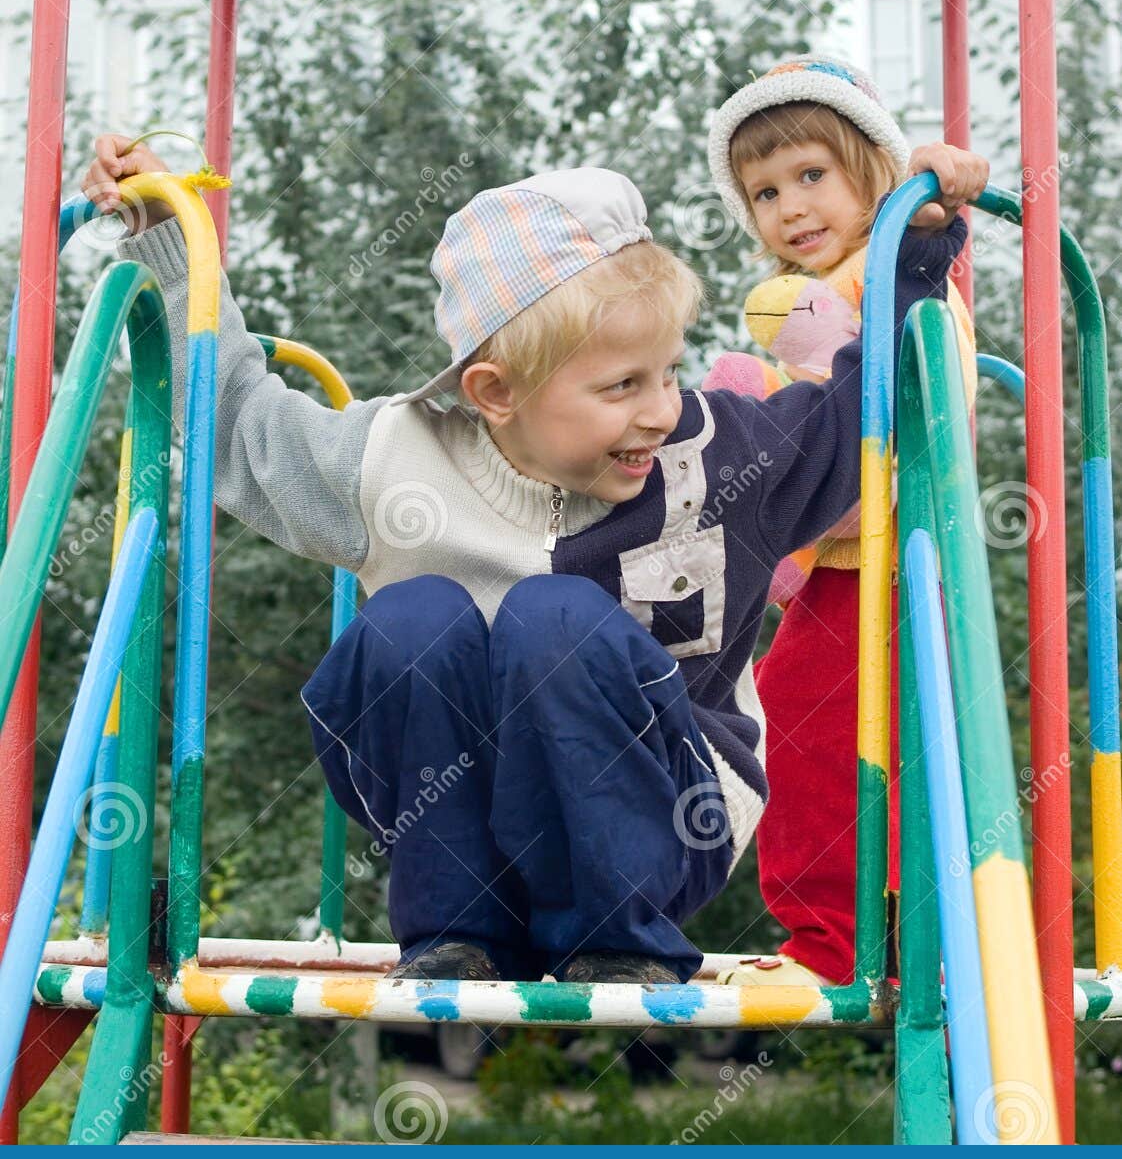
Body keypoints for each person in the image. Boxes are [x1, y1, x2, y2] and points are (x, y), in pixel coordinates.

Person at [82, 123, 980, 987]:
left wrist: (918, 247)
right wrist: (167, 240)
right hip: (462, 828)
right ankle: (457, 934)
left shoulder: (718, 458)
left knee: (555, 618)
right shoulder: (396, 461)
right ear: (493, 392)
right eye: (622, 385)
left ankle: (612, 935)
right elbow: (236, 427)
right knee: (410, 620)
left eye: (668, 370)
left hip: (671, 818)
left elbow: (860, 412)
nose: (661, 409)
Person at [704, 54, 984, 989]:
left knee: (815, 732)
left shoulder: (894, 260)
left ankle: (827, 948)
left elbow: (921, 263)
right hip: (849, 562)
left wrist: (934, 195)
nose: (790, 207)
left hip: (884, 564)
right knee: (856, 737)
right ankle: (905, 938)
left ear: (873, 165)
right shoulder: (822, 291)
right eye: (766, 192)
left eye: (812, 175)